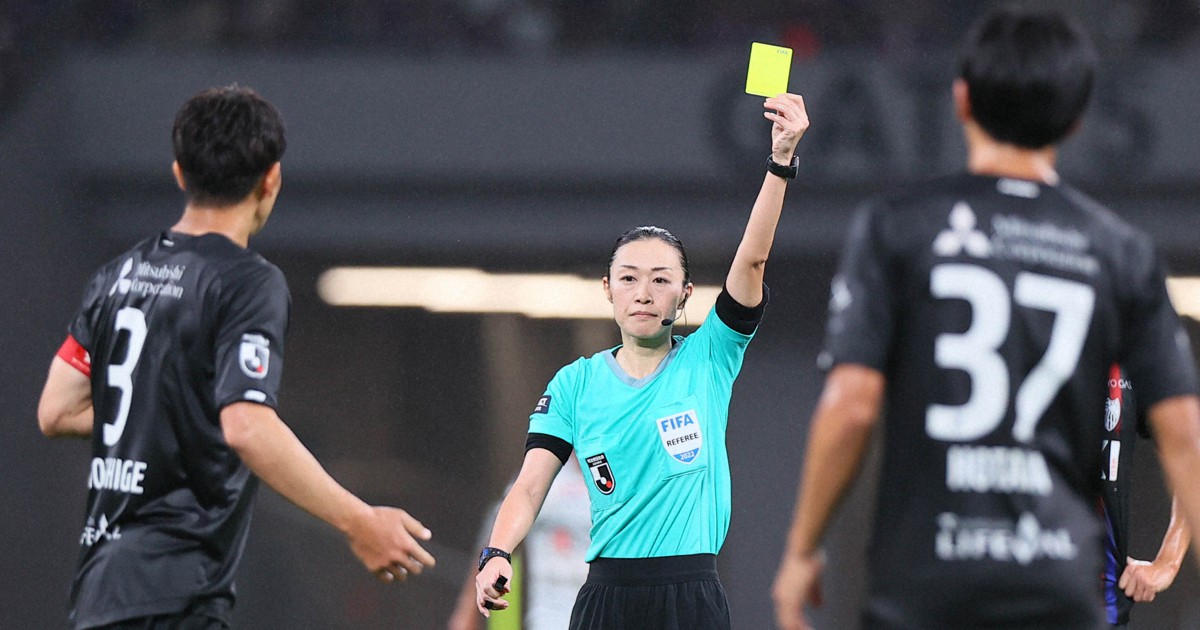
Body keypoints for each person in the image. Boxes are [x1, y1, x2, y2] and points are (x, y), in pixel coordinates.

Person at [771, 6, 1200, 630]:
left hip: (928, 588)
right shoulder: (1121, 253)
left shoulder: (897, 228)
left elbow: (851, 406)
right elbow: (1186, 432)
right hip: (1065, 590)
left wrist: (801, 549)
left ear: (962, 100)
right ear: (1077, 120)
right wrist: (1170, 562)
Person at [36, 85, 435, 630]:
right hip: (173, 596)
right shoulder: (246, 282)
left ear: (180, 173)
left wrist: (169, 421)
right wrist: (358, 520)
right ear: (271, 178)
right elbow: (247, 426)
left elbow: (55, 410)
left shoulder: (116, 276)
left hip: (99, 592)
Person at [473, 92, 809, 630]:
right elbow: (530, 486)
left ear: (686, 294)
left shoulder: (710, 358)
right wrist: (496, 554)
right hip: (608, 596)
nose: (644, 292)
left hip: (691, 596)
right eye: (629, 278)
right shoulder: (575, 384)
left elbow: (752, 258)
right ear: (608, 290)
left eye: (661, 280)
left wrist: (781, 162)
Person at [447, 457, 590, 630]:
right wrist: (466, 613)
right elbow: (495, 543)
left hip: (604, 613)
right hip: (547, 620)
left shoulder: (623, 477)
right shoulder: (541, 474)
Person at [1100, 364, 1190, 627]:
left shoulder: (1123, 348)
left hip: (1099, 610)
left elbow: (1191, 447)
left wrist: (1169, 561)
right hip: (998, 602)